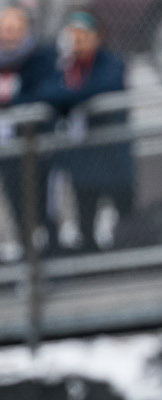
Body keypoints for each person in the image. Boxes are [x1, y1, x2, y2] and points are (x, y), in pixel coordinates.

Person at [37, 11, 132, 254]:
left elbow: (105, 86)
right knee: (85, 211)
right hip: (83, 159)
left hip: (113, 155)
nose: (78, 41)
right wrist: (74, 95)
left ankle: (131, 255)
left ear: (96, 37)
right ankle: (90, 257)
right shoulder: (66, 67)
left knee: (125, 210)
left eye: (83, 35)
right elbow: (48, 93)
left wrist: (72, 96)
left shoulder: (111, 63)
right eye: (73, 35)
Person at [0, 2, 54, 256]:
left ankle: (49, 254)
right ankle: (26, 254)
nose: (10, 33)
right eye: (5, 28)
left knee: (43, 204)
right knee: (16, 202)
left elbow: (45, 95)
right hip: (8, 148)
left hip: (37, 145)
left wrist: (12, 102)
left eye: (16, 27)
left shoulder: (40, 57)